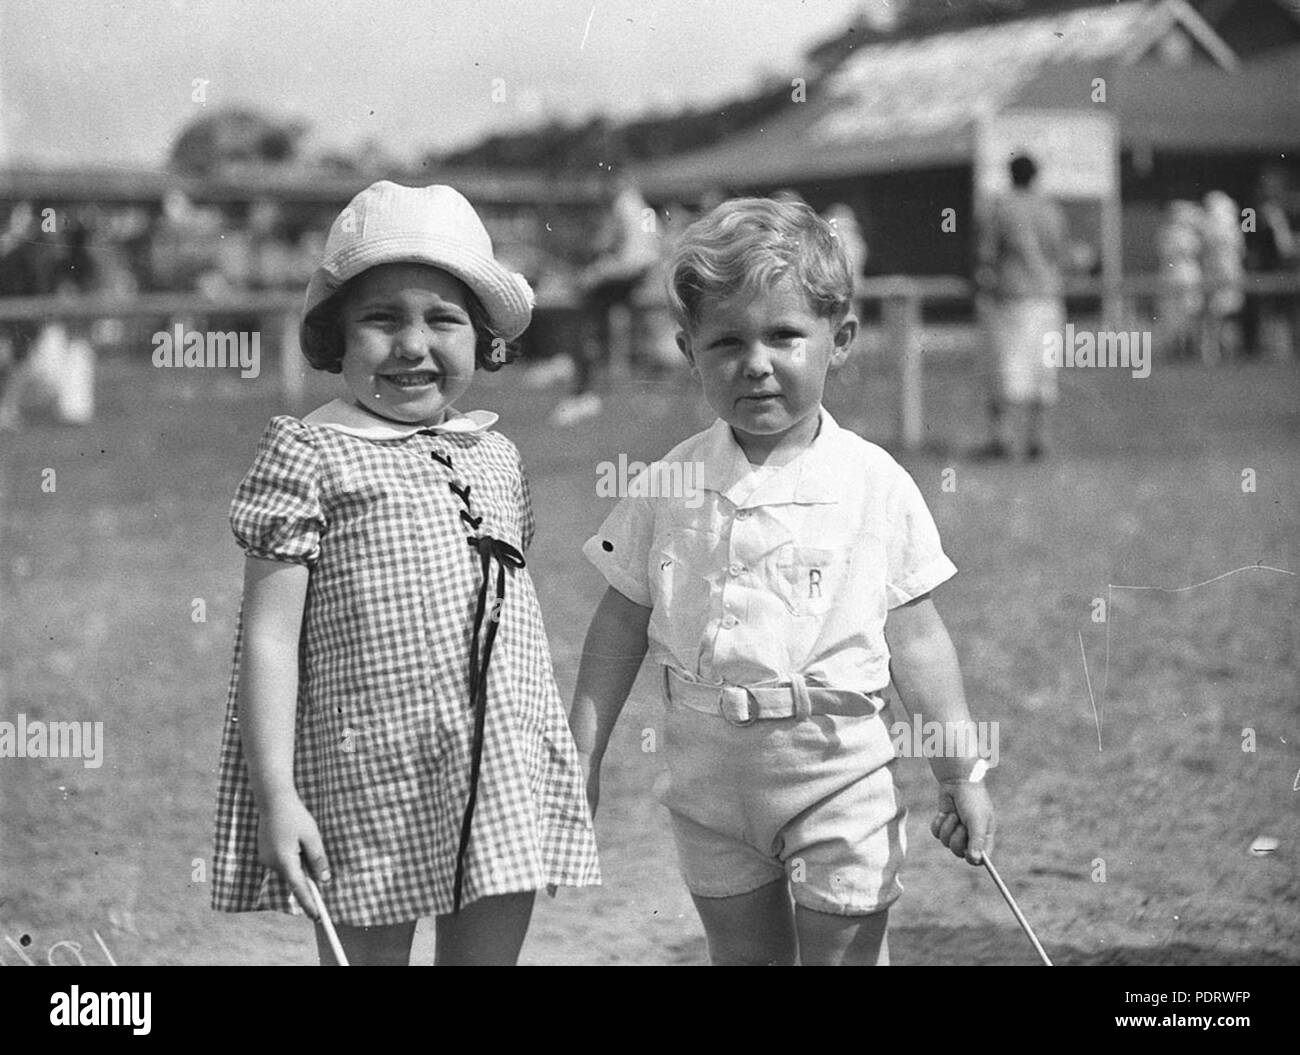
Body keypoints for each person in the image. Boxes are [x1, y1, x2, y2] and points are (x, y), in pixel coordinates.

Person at [569, 198, 995, 966]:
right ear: (687, 349)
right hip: (709, 781)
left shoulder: (876, 482)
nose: (755, 362)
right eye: (726, 341)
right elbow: (619, 621)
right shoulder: (667, 481)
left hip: (837, 767)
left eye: (784, 335)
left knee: (841, 954)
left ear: (841, 342)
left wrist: (959, 769)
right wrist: (582, 756)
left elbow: (920, 643)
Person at [210, 182, 600, 966]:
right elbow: (270, 637)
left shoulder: (497, 455)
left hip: (496, 771)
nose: (413, 345)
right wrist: (277, 792)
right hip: (365, 777)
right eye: (382, 318)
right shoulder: (309, 452)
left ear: (483, 337)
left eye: (443, 319)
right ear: (336, 337)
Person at [975, 153, 1070, 460]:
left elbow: (986, 254)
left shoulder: (1001, 208)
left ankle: (1002, 438)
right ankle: (1038, 439)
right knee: (1043, 371)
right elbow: (1060, 251)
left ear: (1010, 174)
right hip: (1048, 297)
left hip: (1011, 299)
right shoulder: (1050, 209)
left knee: (1005, 370)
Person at [551, 177, 659, 426]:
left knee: (586, 301)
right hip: (641, 271)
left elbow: (610, 243)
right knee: (595, 305)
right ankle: (592, 376)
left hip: (628, 272)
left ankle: (584, 383)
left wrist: (595, 268)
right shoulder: (642, 206)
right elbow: (650, 242)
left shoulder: (622, 204)